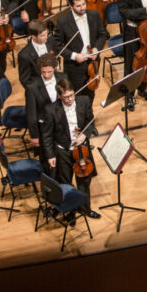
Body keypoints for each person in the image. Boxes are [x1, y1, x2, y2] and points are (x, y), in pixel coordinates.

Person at [41, 79, 101, 220]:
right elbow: (47, 135)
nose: (70, 99)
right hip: (63, 151)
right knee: (65, 182)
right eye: (66, 97)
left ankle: (86, 209)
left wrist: (85, 135)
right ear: (59, 96)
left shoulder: (84, 101)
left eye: (72, 95)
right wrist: (50, 155)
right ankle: (70, 211)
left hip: (81, 150)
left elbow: (90, 122)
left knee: (84, 182)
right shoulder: (50, 110)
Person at [51, 0, 110, 100]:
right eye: (78, 6)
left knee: (91, 91)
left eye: (83, 4)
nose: (82, 8)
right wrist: (74, 56)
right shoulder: (62, 21)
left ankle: (88, 115)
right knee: (76, 95)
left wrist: (96, 48)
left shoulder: (94, 15)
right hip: (75, 66)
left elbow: (103, 35)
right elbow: (57, 46)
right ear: (71, 6)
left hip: (93, 62)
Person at [25, 53, 67, 156]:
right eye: (43, 72)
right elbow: (31, 114)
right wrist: (34, 135)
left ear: (54, 68)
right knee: (46, 155)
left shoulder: (63, 78)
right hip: (45, 127)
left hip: (62, 123)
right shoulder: (32, 87)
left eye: (49, 71)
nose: (46, 75)